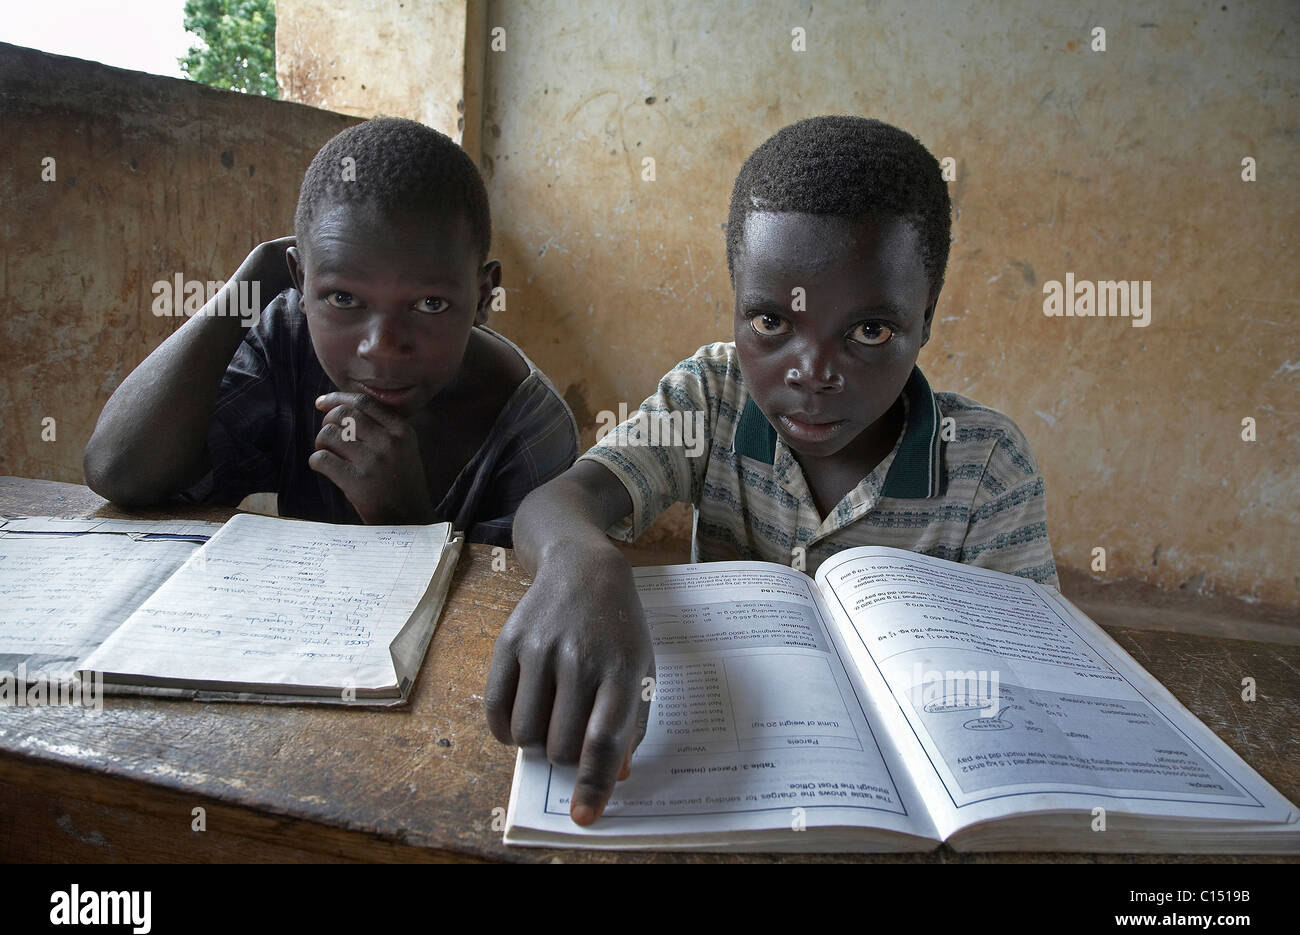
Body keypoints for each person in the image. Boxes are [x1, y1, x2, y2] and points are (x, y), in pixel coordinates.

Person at [484, 115, 1059, 825]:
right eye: (770, 323)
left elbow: (1034, 677)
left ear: (927, 318)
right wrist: (586, 566)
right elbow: (560, 501)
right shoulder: (713, 398)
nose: (812, 374)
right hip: (734, 762)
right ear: (735, 300)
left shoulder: (987, 469)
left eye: (869, 331)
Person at [84, 117, 578, 546]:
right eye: (344, 299)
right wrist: (251, 282)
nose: (380, 348)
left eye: (430, 304)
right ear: (299, 281)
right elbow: (118, 471)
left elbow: (502, 623)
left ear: (484, 296)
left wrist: (404, 521)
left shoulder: (530, 432)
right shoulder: (288, 341)